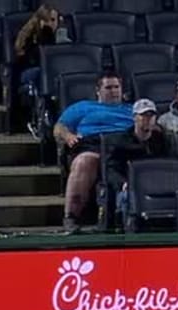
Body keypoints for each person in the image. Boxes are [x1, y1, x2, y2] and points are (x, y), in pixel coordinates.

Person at [53, 73, 134, 232]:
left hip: (124, 145)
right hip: (93, 144)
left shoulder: (131, 109)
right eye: (108, 87)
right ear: (98, 90)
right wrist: (68, 136)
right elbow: (58, 128)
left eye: (117, 87)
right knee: (85, 162)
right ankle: (71, 218)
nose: (114, 91)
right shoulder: (83, 107)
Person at [106, 100, 171, 229]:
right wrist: (122, 183)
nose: (148, 119)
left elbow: (170, 164)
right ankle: (129, 230)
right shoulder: (121, 142)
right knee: (126, 197)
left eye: (151, 116)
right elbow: (111, 169)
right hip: (130, 186)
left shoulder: (163, 140)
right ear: (134, 117)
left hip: (157, 183)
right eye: (143, 116)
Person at [13, 4, 60, 134]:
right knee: (41, 73)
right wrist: (47, 37)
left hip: (51, 73)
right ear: (39, 21)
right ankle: (42, 117)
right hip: (29, 72)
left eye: (54, 20)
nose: (51, 24)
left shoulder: (61, 37)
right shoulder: (29, 39)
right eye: (48, 20)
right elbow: (30, 61)